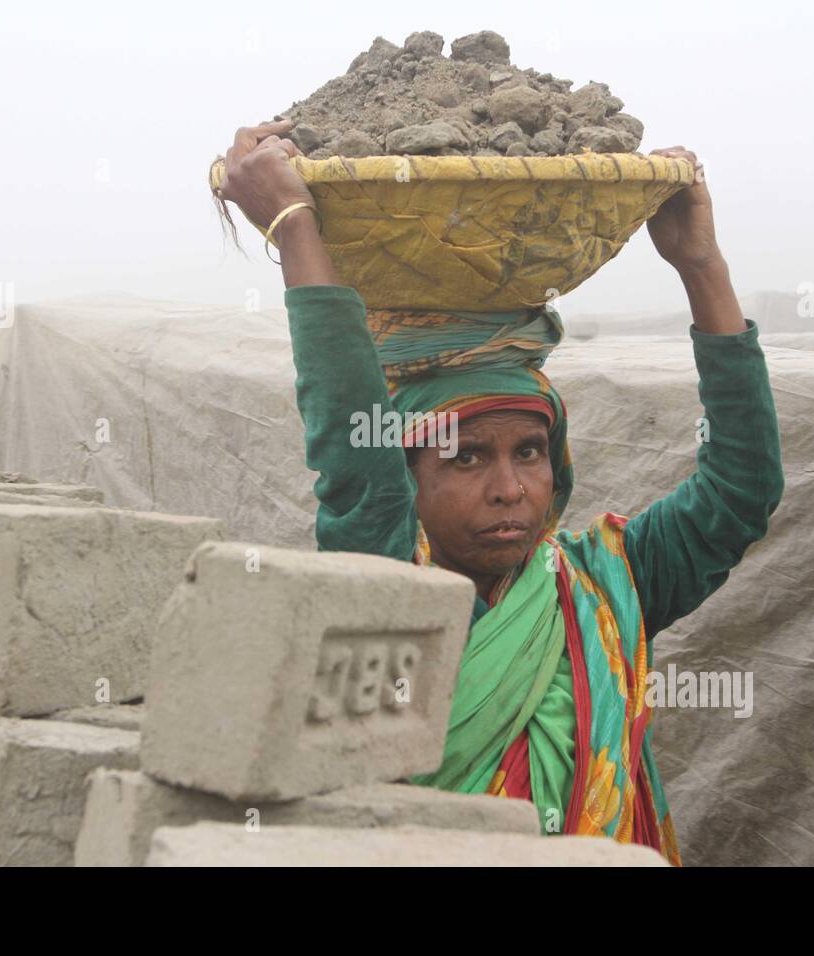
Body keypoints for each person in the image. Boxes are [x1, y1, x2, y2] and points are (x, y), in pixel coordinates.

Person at [214, 119, 785, 865]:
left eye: (530, 452)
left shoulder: (610, 588)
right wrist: (294, 225)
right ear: (407, 474)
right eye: (466, 458)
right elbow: (352, 447)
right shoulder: (383, 583)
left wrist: (699, 264)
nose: (510, 488)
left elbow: (742, 486)